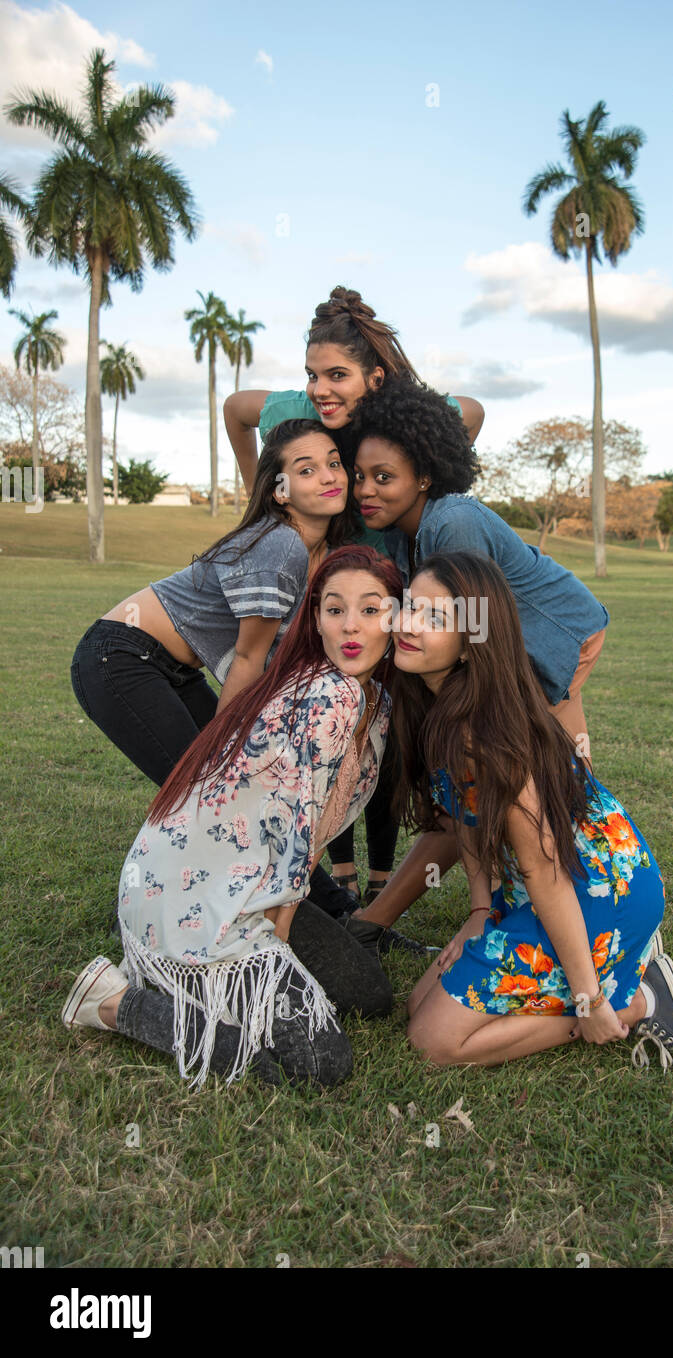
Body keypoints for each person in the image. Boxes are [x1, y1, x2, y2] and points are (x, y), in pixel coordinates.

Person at [62, 546, 406, 1090]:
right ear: (314, 619)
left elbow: (313, 824)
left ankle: (202, 987)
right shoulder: (330, 692)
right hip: (193, 895)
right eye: (334, 609)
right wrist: (283, 922)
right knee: (319, 1065)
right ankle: (113, 1001)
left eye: (371, 609)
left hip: (246, 881)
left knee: (369, 996)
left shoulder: (377, 704)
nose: (351, 627)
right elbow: (297, 818)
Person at [389, 551, 673, 1081]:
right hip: (540, 888)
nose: (406, 625)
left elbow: (546, 870)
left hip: (597, 891)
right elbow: (465, 820)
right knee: (419, 1003)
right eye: (408, 606)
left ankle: (635, 1002)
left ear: (473, 645)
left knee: (432, 1042)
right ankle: (613, 982)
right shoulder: (434, 700)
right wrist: (478, 912)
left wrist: (587, 1000)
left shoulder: (484, 733)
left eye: (434, 619)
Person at [224, 287, 484, 906]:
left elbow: (469, 411)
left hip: (386, 589)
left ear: (376, 376)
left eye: (337, 375)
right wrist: (263, 494)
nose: (321, 389)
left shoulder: (398, 413)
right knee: (329, 722)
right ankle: (337, 874)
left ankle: (378, 881)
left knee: (387, 729)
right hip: (324, 591)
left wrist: (429, 479)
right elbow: (237, 407)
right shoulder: (297, 408)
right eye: (313, 374)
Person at [345, 375, 610, 948]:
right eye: (361, 475)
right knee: (522, 779)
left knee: (527, 778)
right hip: (506, 645)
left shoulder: (452, 523)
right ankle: (386, 921)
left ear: (425, 476)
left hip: (553, 635)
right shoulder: (397, 530)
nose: (366, 489)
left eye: (384, 477)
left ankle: (593, 910)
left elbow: (473, 630)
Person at [70, 421, 353, 789]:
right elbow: (250, 658)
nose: (328, 477)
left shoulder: (325, 556)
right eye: (306, 470)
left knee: (225, 789)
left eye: (334, 464)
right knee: (204, 791)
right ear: (280, 492)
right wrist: (229, 751)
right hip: (121, 656)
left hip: (175, 669)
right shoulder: (280, 546)